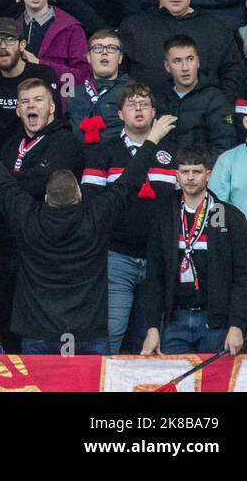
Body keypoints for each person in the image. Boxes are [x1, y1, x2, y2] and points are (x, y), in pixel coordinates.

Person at [0, 109, 161, 354]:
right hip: (89, 332)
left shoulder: (29, 215)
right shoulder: (95, 215)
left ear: (45, 197)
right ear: (79, 195)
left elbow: (1, 181)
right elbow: (128, 182)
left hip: (39, 332)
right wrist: (152, 140)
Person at [79, 83, 178, 353]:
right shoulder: (103, 152)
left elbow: (183, 204)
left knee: (152, 342)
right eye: (131, 104)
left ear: (154, 113)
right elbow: (91, 206)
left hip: (159, 259)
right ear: (120, 113)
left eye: (144, 104)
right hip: (117, 256)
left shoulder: (172, 153)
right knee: (112, 338)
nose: (138, 109)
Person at [141, 147, 247, 355]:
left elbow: (244, 276)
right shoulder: (164, 215)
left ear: (208, 175)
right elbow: (154, 277)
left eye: (197, 171)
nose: (190, 178)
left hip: (215, 323)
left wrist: (237, 325)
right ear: (177, 175)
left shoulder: (230, 216)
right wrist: (152, 327)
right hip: (174, 322)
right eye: (185, 172)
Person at [119, 0, 245, 99]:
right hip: (148, 113)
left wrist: (219, 104)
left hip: (204, 114)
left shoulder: (215, 27)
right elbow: (119, 72)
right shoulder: (134, 27)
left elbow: (234, 71)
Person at [210, 98, 247, 352]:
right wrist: (234, 252)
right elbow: (216, 214)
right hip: (238, 268)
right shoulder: (228, 160)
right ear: (246, 122)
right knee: (233, 343)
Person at [0, 19, 61, 163]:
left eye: (10, 40)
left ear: (22, 45)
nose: (3, 46)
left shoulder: (43, 74)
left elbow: (55, 121)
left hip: (39, 153)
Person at [157, 35, 237, 156]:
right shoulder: (159, 98)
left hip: (202, 171)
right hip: (164, 171)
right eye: (177, 61)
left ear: (198, 62)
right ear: (167, 66)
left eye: (190, 59)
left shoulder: (215, 99)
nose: (185, 68)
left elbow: (224, 144)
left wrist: (205, 171)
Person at [15, 0, 89, 86]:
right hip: (22, 103)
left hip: (58, 103)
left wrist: (40, 64)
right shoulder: (12, 28)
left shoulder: (71, 28)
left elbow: (82, 77)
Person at [68, 29, 134, 146]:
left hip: (118, 158)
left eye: (112, 48)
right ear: (88, 57)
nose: (104, 53)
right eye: (97, 48)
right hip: (80, 159)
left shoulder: (133, 91)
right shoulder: (74, 93)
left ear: (120, 58)